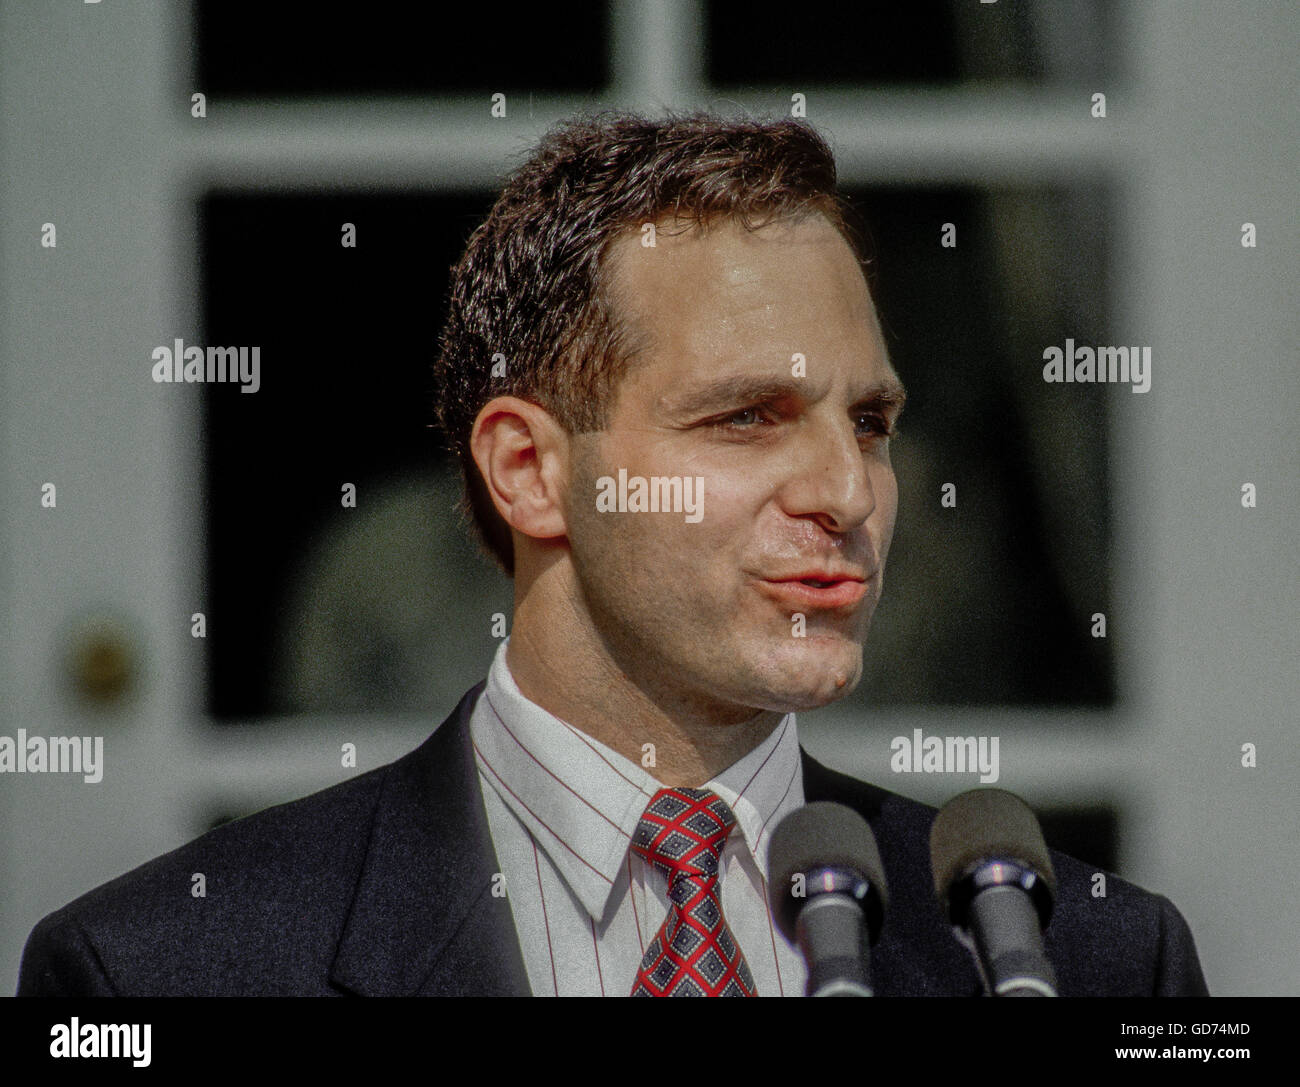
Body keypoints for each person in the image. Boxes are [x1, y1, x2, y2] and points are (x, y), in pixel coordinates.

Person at [18, 112, 1208, 997]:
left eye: (868, 422)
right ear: (531, 471)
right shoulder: (157, 973)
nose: (847, 493)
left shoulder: (1089, 957)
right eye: (745, 417)